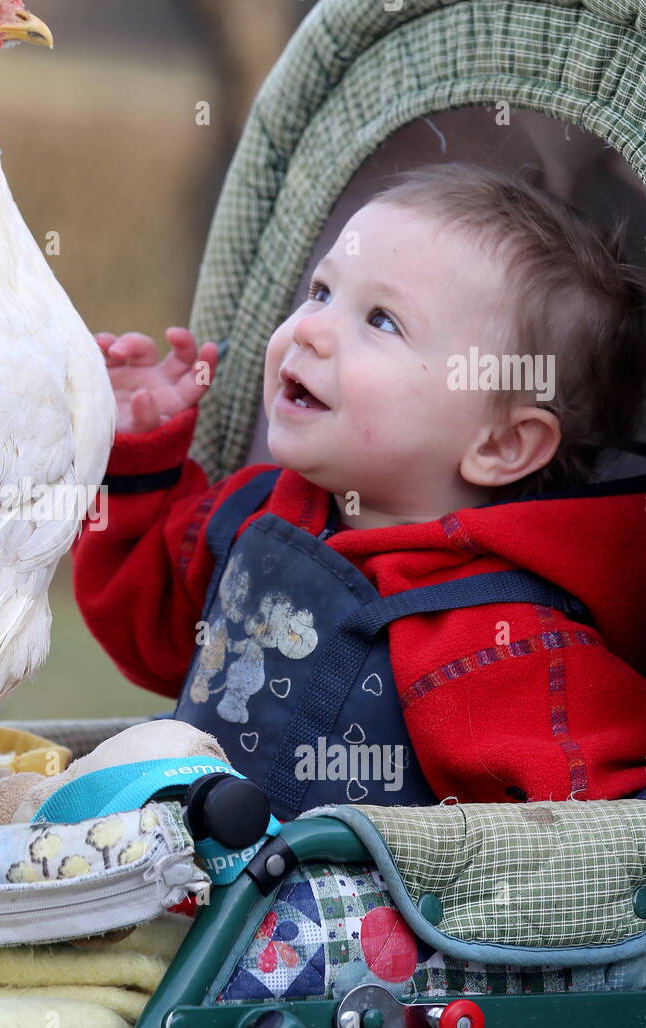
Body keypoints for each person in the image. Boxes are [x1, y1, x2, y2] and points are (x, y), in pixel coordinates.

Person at [74, 163, 646, 812]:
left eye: (381, 321)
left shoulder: (501, 641)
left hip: (346, 913)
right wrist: (137, 463)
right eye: (320, 292)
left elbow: (603, 838)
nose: (309, 329)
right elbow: (144, 628)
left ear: (498, 445)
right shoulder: (253, 515)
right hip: (197, 890)